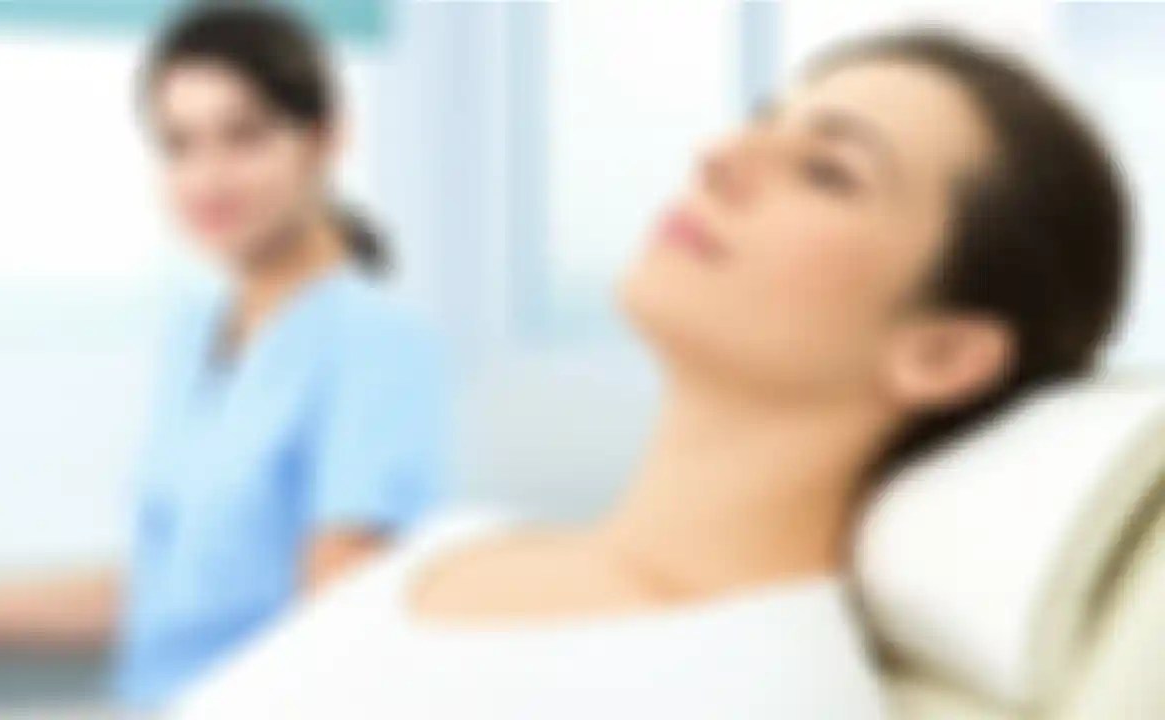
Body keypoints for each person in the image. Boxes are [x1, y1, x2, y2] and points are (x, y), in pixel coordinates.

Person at [175, 31, 1128, 720]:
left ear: (943, 353)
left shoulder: (758, 694)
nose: (719, 157)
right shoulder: (454, 549)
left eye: (828, 171)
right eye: (764, 123)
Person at [0, 3, 448, 710]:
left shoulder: (377, 347)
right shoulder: (199, 332)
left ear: (324, 140)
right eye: (178, 145)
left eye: (242, 137)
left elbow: (342, 630)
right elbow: (165, 598)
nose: (206, 178)